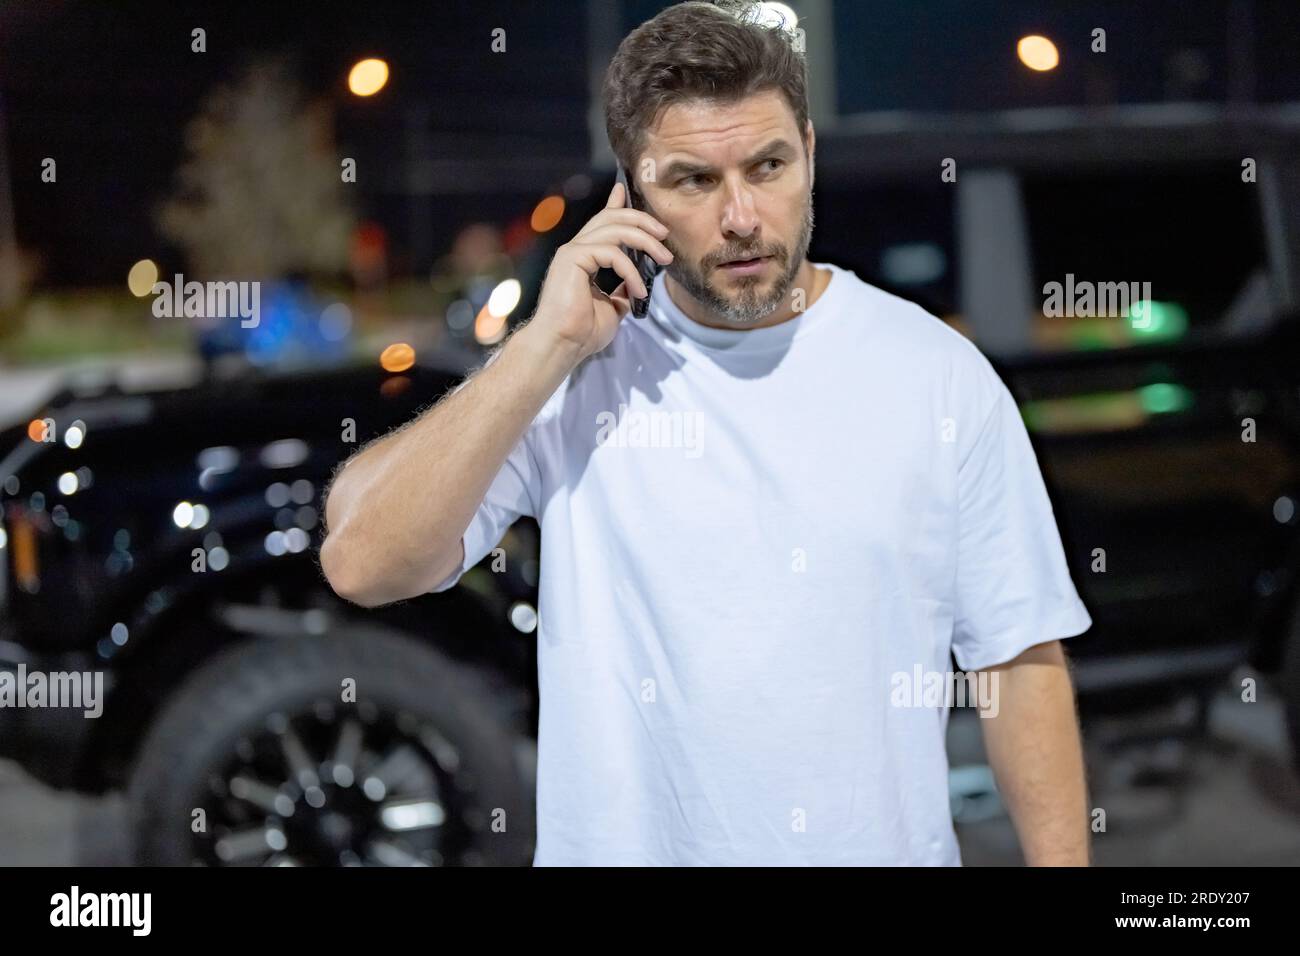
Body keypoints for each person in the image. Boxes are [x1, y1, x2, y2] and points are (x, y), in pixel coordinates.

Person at [321, 0, 1093, 866]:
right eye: (693, 180)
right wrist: (541, 346)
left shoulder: (936, 375)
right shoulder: (572, 376)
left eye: (769, 166)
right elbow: (363, 562)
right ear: (632, 193)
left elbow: (1018, 658)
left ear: (811, 151)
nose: (741, 216)